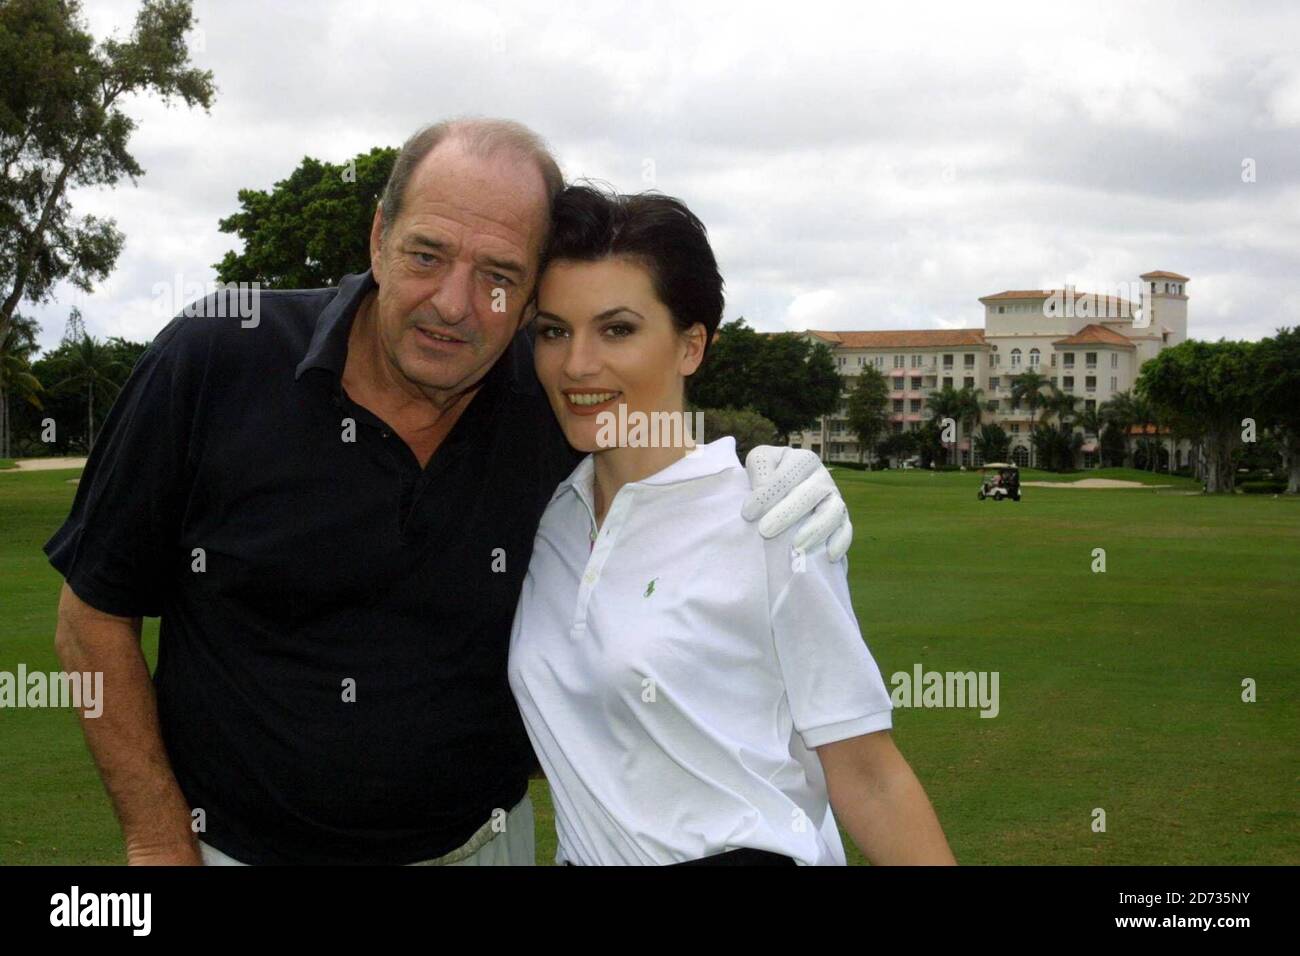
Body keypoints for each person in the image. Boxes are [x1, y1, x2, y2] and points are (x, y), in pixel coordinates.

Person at [45, 118, 854, 866]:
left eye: (500, 275)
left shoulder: (548, 401)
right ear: (379, 234)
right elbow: (93, 617)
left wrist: (765, 464)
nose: (456, 305)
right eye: (427, 255)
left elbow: (654, 431)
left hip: (487, 848)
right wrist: (156, 838)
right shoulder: (215, 361)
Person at [508, 185, 955, 865]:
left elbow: (868, 772)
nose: (577, 364)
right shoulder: (550, 520)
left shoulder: (769, 515)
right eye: (554, 330)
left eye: (618, 329)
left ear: (691, 346)